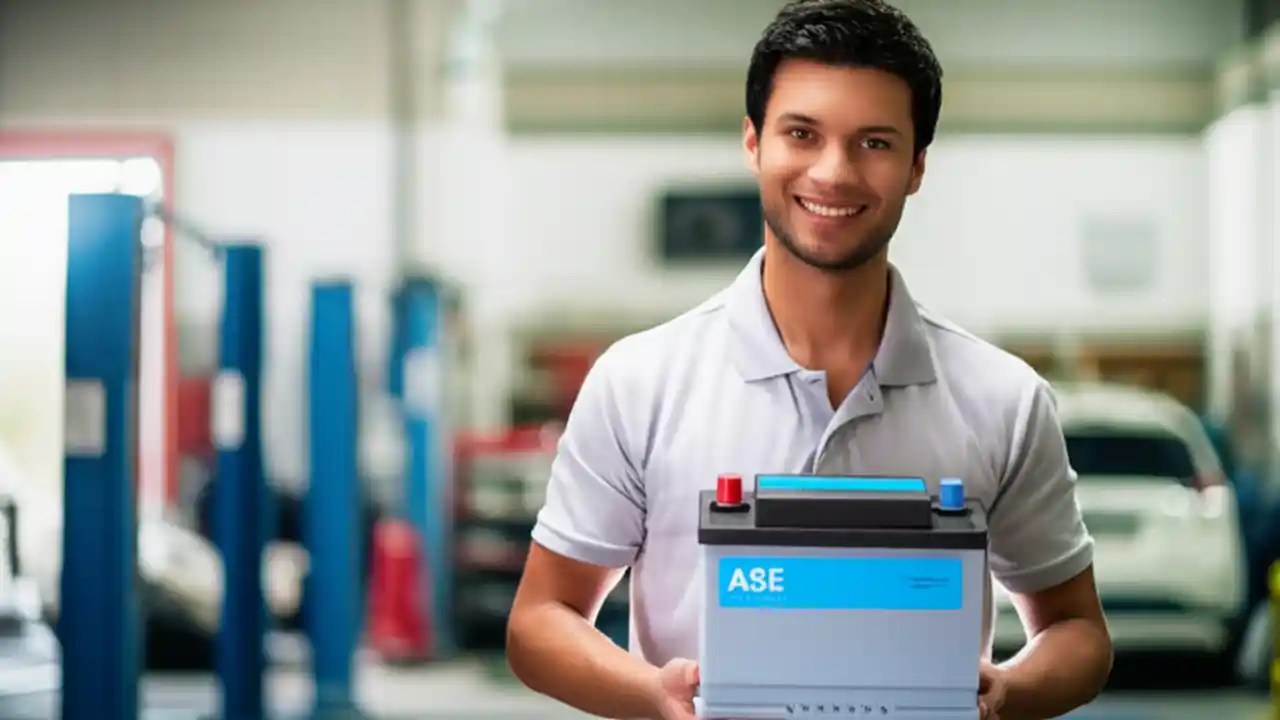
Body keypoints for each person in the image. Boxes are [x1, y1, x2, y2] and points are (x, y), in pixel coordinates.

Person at [505, 1, 1113, 718]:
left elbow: (1077, 630)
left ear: (918, 166)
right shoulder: (641, 382)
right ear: (753, 141)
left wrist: (1010, 693)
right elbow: (540, 618)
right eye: (802, 133)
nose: (834, 172)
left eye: (875, 143)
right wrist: (653, 696)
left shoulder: (1002, 398)